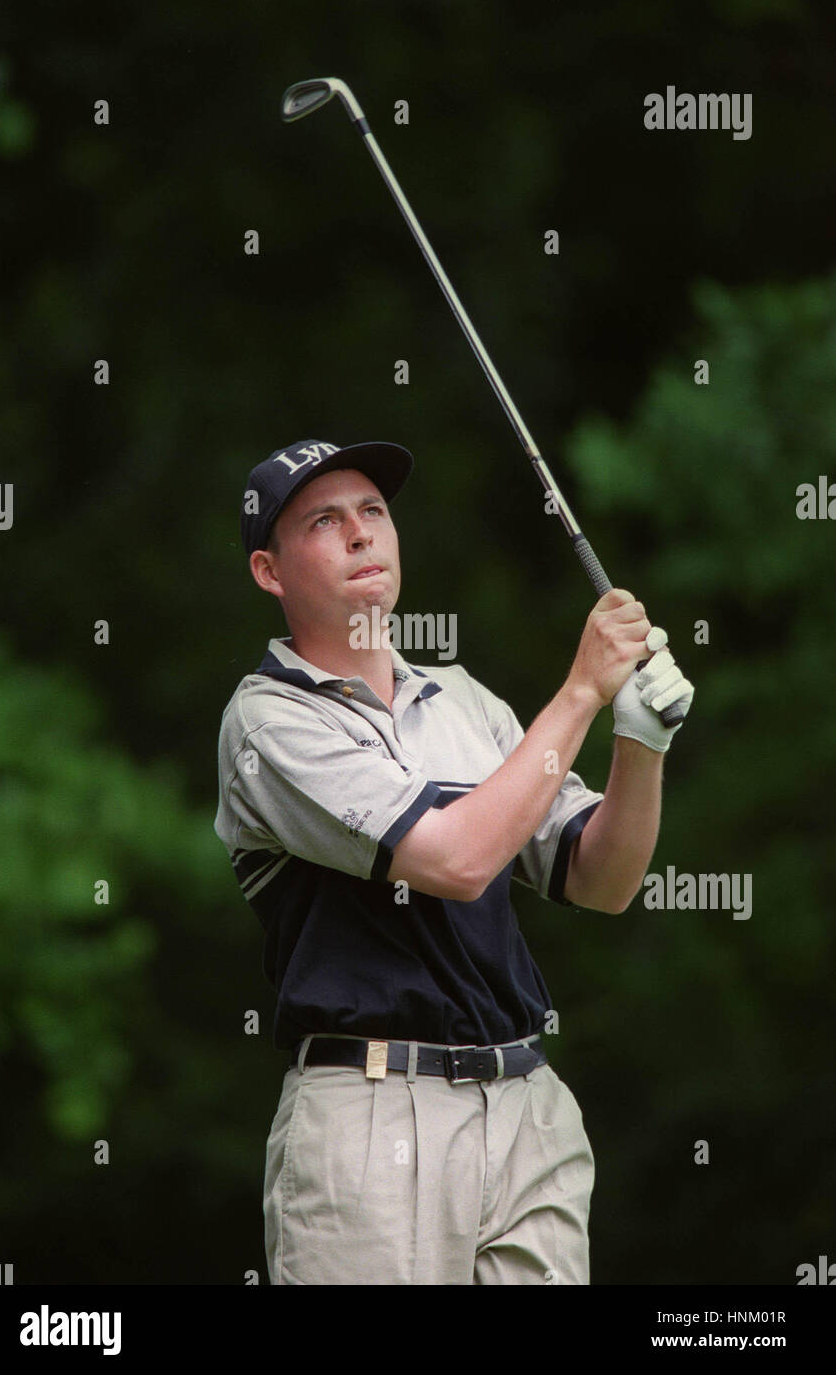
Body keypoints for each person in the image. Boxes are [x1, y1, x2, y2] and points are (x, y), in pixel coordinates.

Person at [214, 437, 694, 1286]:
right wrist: (583, 691)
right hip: (366, 1119)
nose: (361, 534)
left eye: (374, 513)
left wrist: (638, 742)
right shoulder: (267, 720)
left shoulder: (468, 702)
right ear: (269, 571)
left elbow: (601, 879)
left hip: (523, 1110)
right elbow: (460, 859)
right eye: (325, 521)